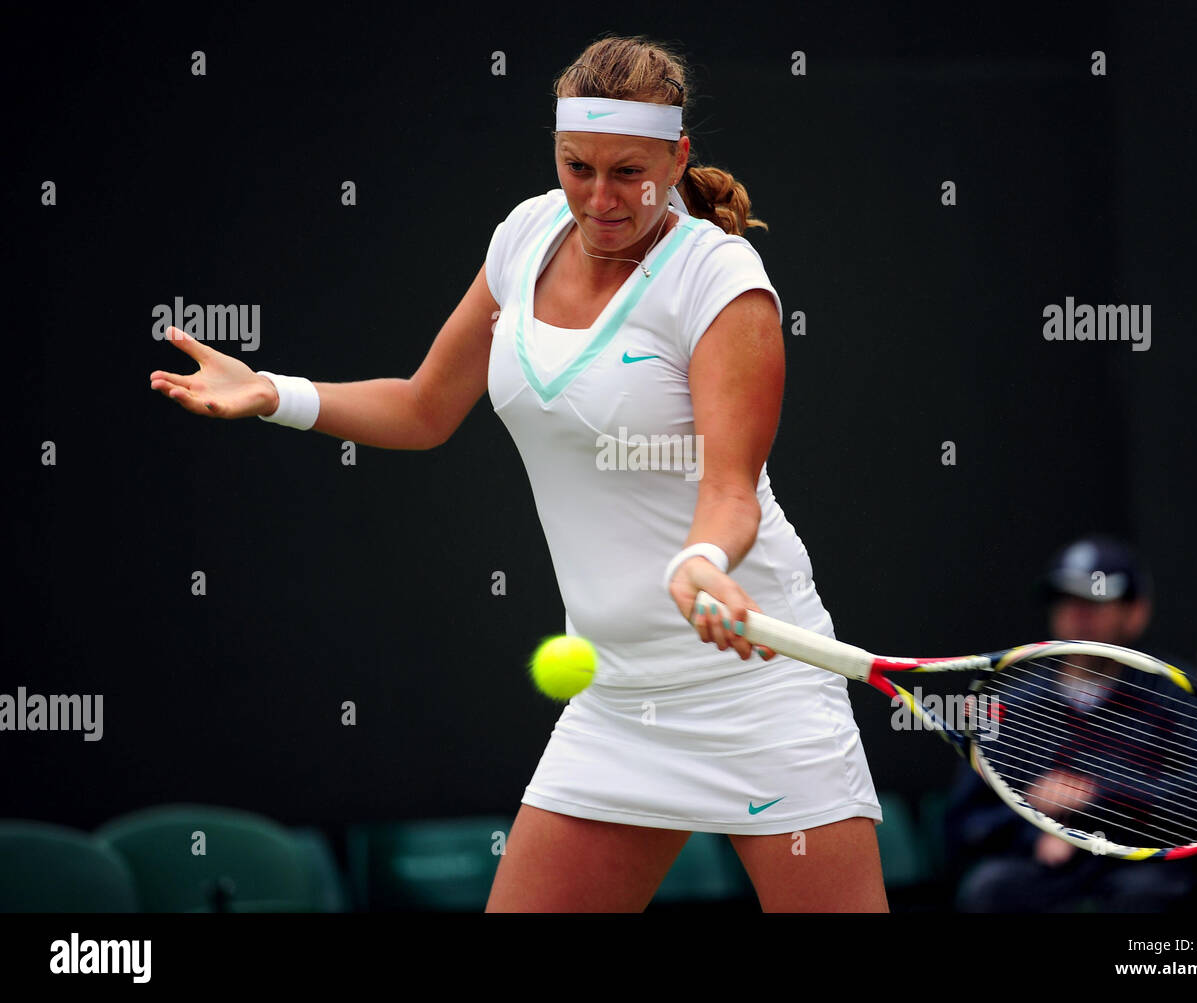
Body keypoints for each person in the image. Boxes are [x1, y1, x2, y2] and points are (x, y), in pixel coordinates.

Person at [149, 36, 887, 912]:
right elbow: (425, 408)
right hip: (616, 699)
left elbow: (731, 490)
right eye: (579, 166)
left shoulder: (722, 284)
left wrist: (703, 564)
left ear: (678, 156)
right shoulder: (527, 234)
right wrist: (275, 391)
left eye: (630, 172)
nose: (601, 199)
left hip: (758, 688)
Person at [945, 534, 1197, 912]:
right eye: (1067, 599)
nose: (1079, 614)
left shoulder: (1178, 694)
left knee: (1155, 895)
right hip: (1043, 871)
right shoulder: (1011, 705)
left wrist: (1100, 794)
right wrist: (1034, 824)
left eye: (1096, 601)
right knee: (991, 889)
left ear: (1135, 612)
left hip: (1142, 868)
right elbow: (964, 823)